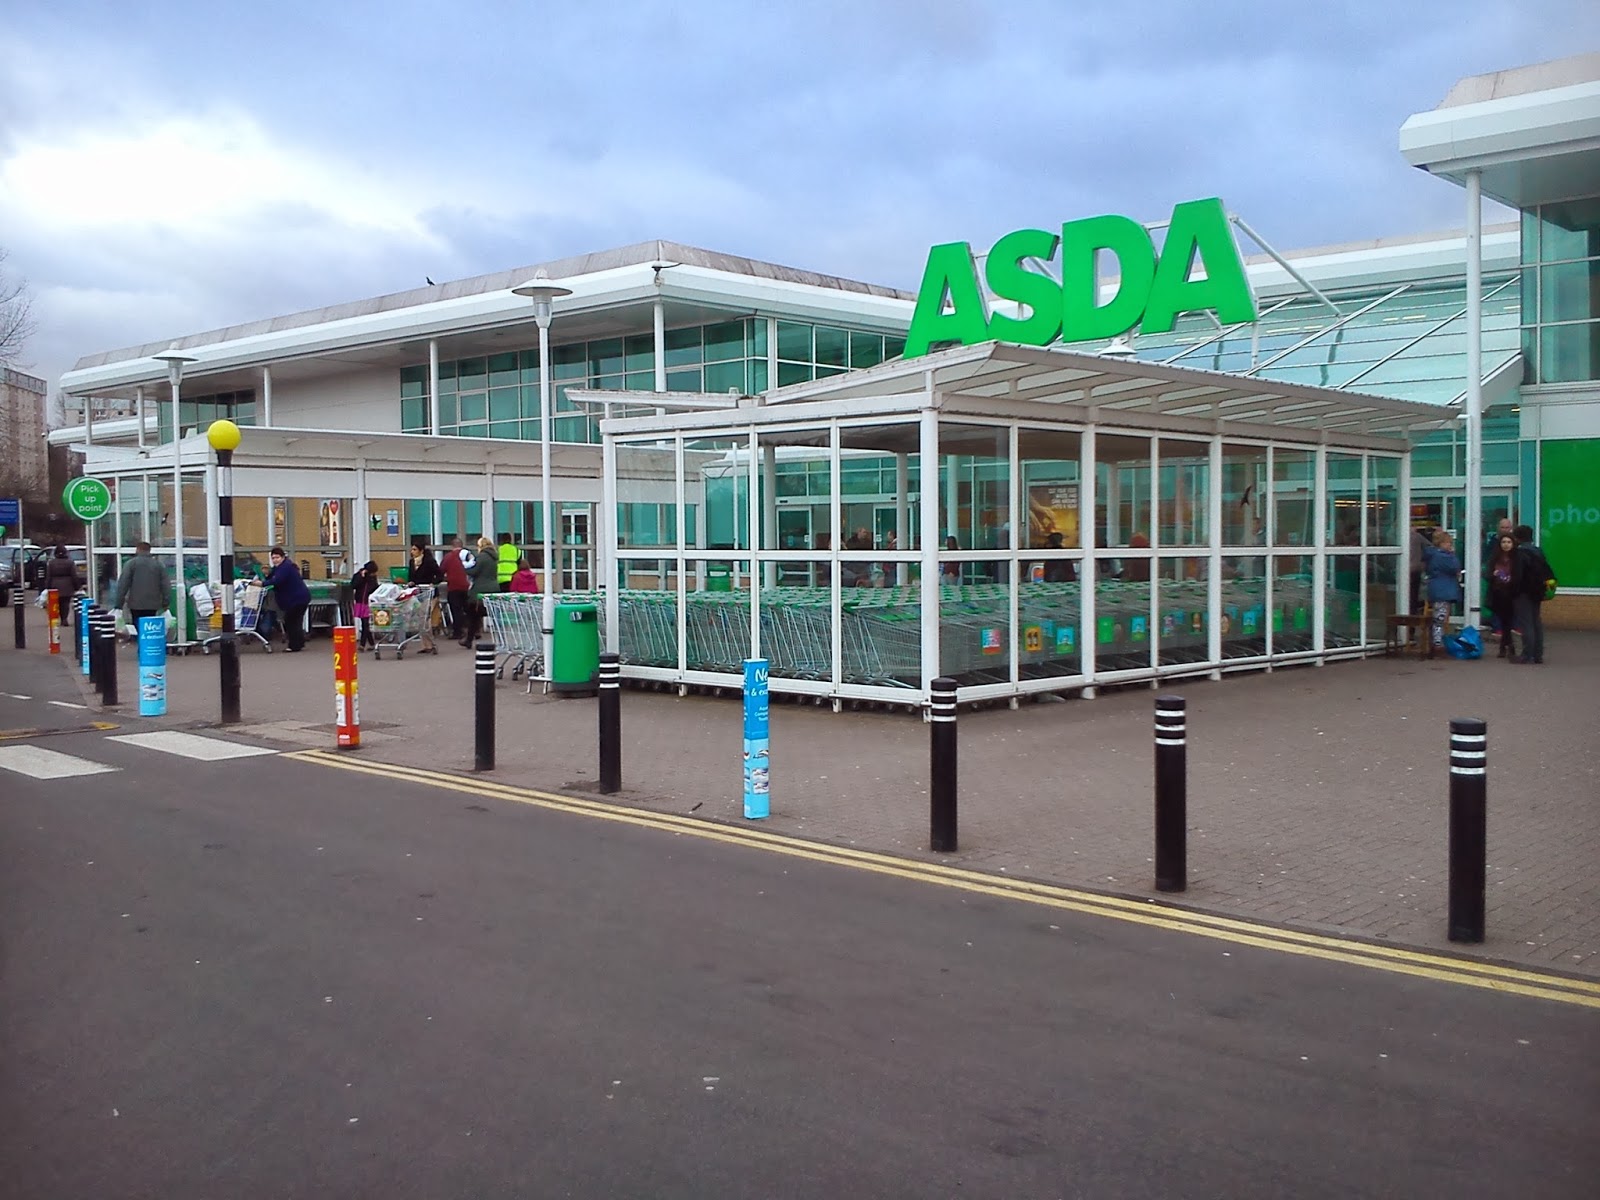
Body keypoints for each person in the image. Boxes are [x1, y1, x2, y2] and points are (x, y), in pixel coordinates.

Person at [1512, 524, 1556, 665]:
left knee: (1526, 623)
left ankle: (1527, 655)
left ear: (1517, 538)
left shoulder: (1519, 553)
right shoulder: (1538, 551)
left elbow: (1518, 575)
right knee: (1536, 621)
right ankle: (1538, 654)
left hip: (1523, 592)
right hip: (1537, 591)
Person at [111, 541, 171, 629]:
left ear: (137, 550)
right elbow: (165, 585)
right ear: (149, 550)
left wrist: (119, 603)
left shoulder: (131, 564)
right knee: (150, 627)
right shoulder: (158, 565)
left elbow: (123, 584)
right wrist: (166, 602)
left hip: (135, 604)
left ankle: (139, 637)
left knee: (137, 626)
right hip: (153, 604)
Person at [262, 546, 310, 651]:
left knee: (291, 621)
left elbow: (277, 580)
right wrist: (267, 575)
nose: (275, 560)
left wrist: (262, 583)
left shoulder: (285, 568)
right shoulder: (281, 567)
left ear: (283, 557)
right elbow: (272, 577)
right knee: (294, 621)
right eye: (273, 558)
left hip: (297, 599)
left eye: (277, 557)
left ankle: (294, 645)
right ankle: (299, 642)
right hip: (298, 598)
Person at [1422, 530, 1462, 657]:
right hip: (1444, 590)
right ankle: (1438, 643)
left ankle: (1437, 641)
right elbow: (1455, 567)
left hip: (1436, 588)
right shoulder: (1444, 556)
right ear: (1442, 543)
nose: (1450, 545)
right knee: (1440, 617)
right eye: (1448, 543)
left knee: (1439, 615)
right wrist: (1453, 555)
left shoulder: (1432, 555)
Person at [1482, 532, 1522, 659]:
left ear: (1513, 544)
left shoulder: (1517, 558)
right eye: (1503, 542)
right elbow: (1486, 574)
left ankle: (1508, 647)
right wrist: (1493, 574)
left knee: (1509, 621)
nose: (1506, 545)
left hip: (1512, 593)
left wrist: (1513, 579)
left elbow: (1520, 575)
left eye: (1509, 542)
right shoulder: (1495, 557)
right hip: (1498, 593)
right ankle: (1506, 647)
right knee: (1504, 621)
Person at [461, 536, 500, 646]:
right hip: (493, 587)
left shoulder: (481, 557)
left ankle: (469, 639)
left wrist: (464, 567)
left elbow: (474, 571)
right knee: (489, 613)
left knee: (472, 614)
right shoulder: (493, 557)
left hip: (480, 590)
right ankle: (498, 638)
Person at [406, 544, 442, 654]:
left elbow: (439, 574)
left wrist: (433, 583)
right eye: (412, 549)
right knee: (420, 619)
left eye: (415, 549)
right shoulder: (412, 562)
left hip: (429, 593)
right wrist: (411, 583)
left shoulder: (429, 562)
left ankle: (431, 644)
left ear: (421, 551)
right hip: (418, 593)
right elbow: (412, 577)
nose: (412, 552)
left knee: (425, 618)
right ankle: (425, 645)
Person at [440, 537, 470, 642]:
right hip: (467, 586)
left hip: (453, 587)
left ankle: (458, 632)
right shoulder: (467, 555)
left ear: (452, 546)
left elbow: (441, 570)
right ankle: (473, 631)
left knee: (456, 610)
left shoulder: (448, 557)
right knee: (468, 609)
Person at [351, 560, 381, 651]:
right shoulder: (358, 576)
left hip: (368, 602)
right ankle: (371, 643)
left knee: (365, 624)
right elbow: (353, 585)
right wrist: (361, 577)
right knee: (365, 624)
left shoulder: (372, 578)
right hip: (360, 601)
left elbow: (375, 588)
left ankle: (362, 644)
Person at [44, 545, 81, 610]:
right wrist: (77, 587)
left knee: (55, 605)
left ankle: (58, 615)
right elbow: (74, 576)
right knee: (65, 604)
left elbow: (49, 576)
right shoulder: (70, 562)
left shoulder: (51, 563)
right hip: (67, 587)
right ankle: (64, 616)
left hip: (55, 587)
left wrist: (47, 587)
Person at [1408, 525, 1431, 614]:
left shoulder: (1398, 536)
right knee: (1414, 594)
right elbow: (1429, 546)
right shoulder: (1416, 536)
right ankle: (1413, 613)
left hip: (1404, 568)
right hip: (1416, 568)